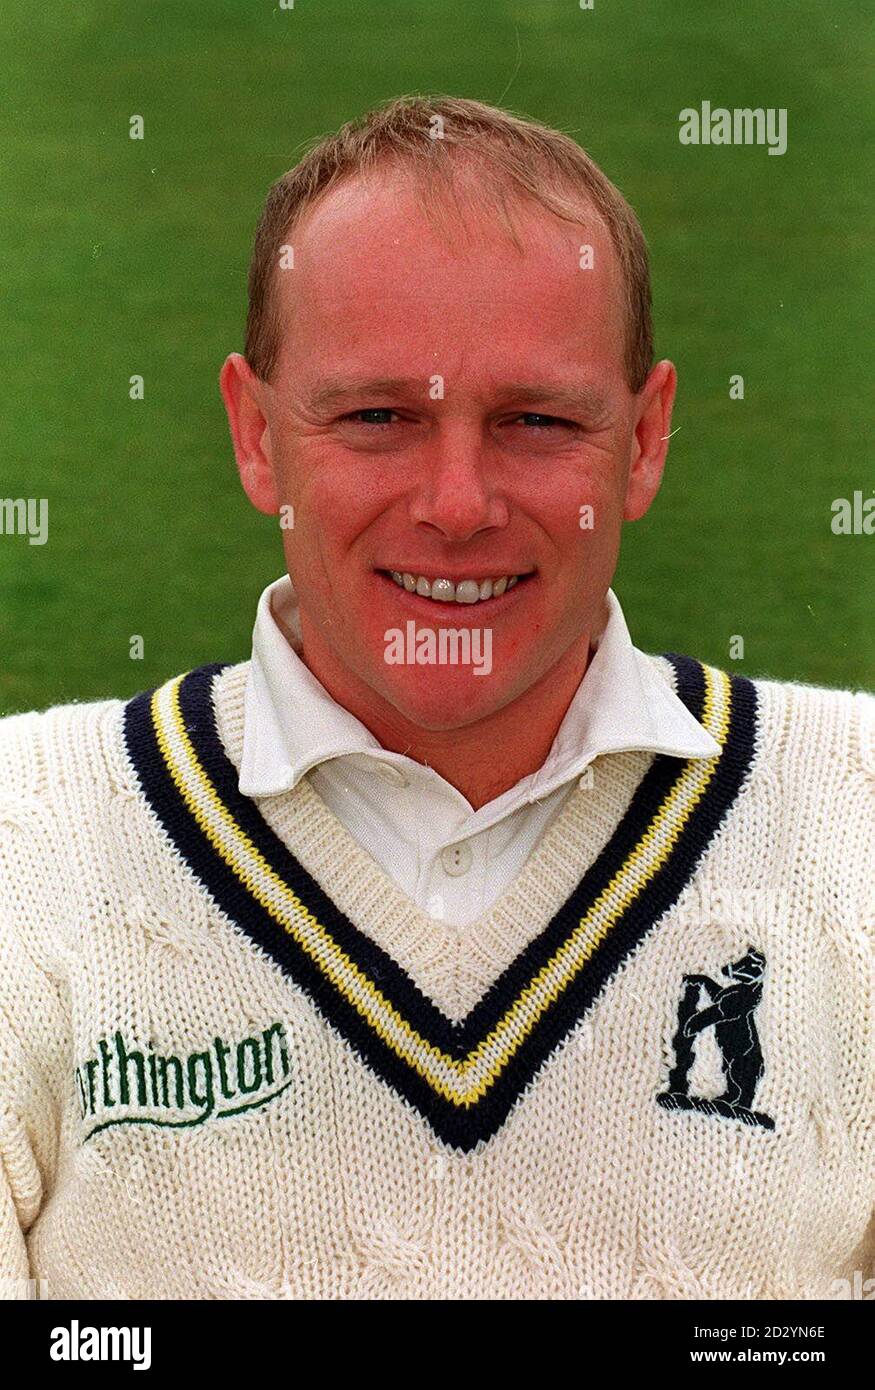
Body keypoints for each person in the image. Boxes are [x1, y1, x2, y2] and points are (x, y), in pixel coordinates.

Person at [0, 96, 871, 1301]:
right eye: (377, 418)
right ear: (256, 435)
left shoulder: (854, 813)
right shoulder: (23, 843)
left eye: (534, 420)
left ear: (647, 436)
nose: (457, 503)